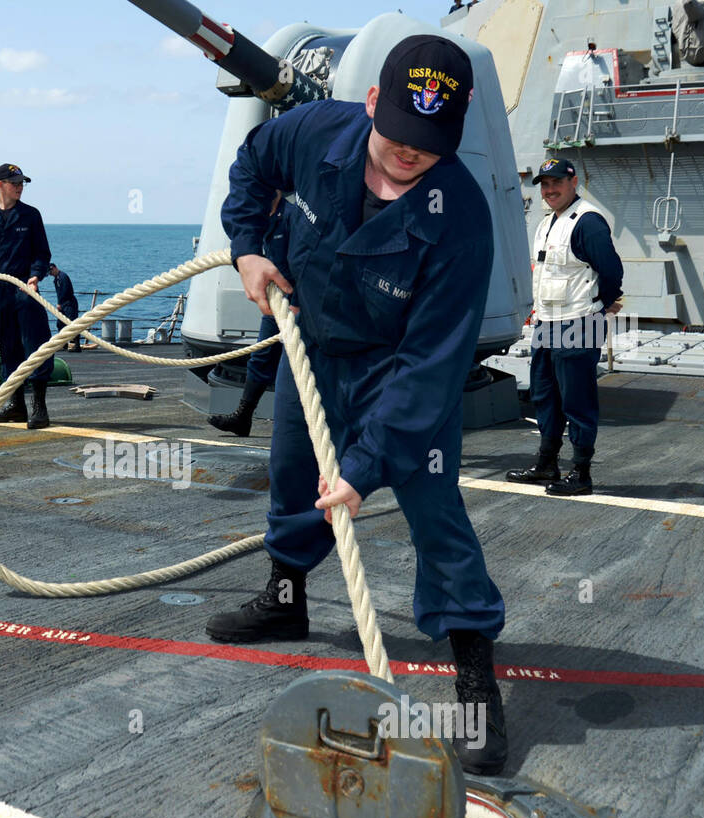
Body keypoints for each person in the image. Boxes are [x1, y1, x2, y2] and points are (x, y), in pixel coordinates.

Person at [207, 35, 508, 775]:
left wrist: (366, 466)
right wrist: (247, 246)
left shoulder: (461, 218)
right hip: (310, 346)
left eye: (431, 144)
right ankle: (285, 595)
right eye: (400, 134)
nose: (410, 154)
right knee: (290, 473)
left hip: (398, 372)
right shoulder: (313, 132)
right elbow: (251, 167)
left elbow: (431, 366)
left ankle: (472, 666)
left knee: (434, 510)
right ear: (372, 102)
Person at [506, 158, 623, 496]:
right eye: (544, 184)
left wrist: (601, 304)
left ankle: (582, 473)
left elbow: (612, 271)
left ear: (574, 182)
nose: (549, 189)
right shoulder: (546, 223)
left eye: (556, 182)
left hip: (578, 322)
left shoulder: (588, 222)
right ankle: (546, 464)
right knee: (545, 396)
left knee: (577, 400)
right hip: (546, 323)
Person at [0, 163, 55, 429]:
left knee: (37, 346)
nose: (19, 187)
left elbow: (42, 252)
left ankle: (40, 408)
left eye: (21, 183)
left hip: (27, 291)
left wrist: (36, 275)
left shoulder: (31, 215)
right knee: (9, 348)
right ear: (0, 185)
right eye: (14, 183)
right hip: (0, 293)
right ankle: (16, 405)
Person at [207, 192, 290, 437]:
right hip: (277, 302)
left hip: (297, 302)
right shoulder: (260, 218)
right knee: (261, 358)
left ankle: (297, 426)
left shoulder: (294, 219)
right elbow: (232, 216)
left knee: (296, 365)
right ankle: (243, 417)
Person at [48, 263, 81, 351]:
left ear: (54, 268)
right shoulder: (56, 279)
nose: (50, 274)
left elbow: (66, 291)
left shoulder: (63, 277)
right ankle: (63, 343)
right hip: (63, 304)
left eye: (51, 271)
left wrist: (60, 303)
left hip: (69, 303)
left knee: (72, 323)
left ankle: (77, 345)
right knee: (60, 324)